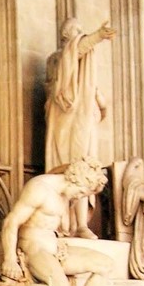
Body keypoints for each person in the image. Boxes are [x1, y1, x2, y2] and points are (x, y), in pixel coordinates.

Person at [0, 157, 114, 286]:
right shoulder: (40, 188)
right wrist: (10, 258)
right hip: (33, 247)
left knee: (105, 264)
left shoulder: (64, 193)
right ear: (74, 179)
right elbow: (12, 221)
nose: (79, 197)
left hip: (55, 248)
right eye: (81, 192)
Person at [44, 18, 116, 238]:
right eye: (77, 31)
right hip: (65, 118)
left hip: (82, 116)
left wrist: (101, 105)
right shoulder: (59, 58)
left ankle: (81, 224)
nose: (80, 35)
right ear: (67, 36)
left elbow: (95, 92)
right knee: (68, 165)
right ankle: (64, 222)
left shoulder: (83, 72)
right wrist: (98, 35)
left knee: (85, 166)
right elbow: (77, 50)